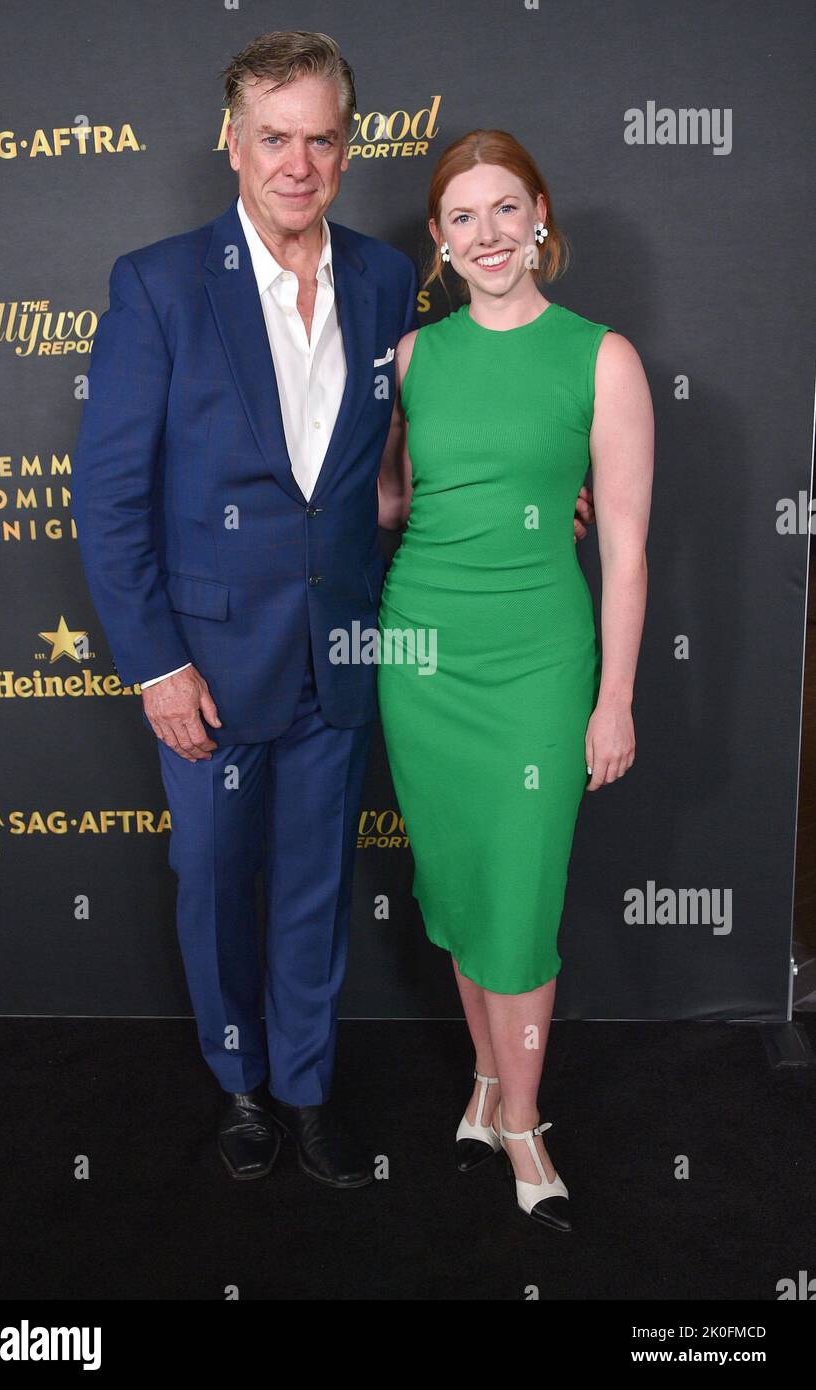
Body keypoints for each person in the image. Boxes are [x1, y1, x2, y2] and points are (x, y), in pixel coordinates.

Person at [72, 30, 598, 1193]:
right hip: (207, 661)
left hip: (344, 650)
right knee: (217, 886)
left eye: (318, 139)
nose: (296, 163)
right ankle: (241, 1088)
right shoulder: (158, 283)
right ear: (232, 143)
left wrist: (514, 505)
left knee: (313, 887)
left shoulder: (379, 280)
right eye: (273, 138)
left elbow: (387, 478)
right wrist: (155, 665)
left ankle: (306, 1092)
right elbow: (105, 498)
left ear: (346, 147)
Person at [376, 131, 653, 1231]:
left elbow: (624, 550)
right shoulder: (411, 357)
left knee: (521, 894)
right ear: (438, 240)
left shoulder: (602, 357)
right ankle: (489, 1084)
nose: (486, 233)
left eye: (504, 209)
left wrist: (614, 698)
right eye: (462, 217)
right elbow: (393, 502)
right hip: (422, 658)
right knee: (457, 886)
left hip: (539, 662)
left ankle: (525, 1122)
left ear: (539, 215)